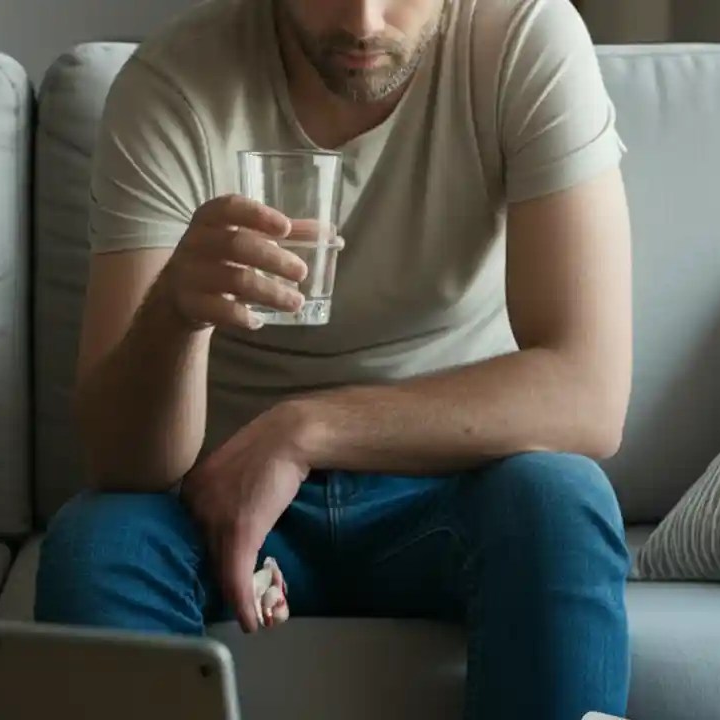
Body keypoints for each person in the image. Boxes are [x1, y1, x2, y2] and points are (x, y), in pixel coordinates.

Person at [35, 0, 633, 717]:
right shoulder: (175, 84)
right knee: (98, 541)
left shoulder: (523, 39)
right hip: (227, 498)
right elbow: (121, 464)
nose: (364, 22)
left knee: (560, 500)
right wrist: (174, 314)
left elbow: (589, 393)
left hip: (452, 480)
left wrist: (303, 431)